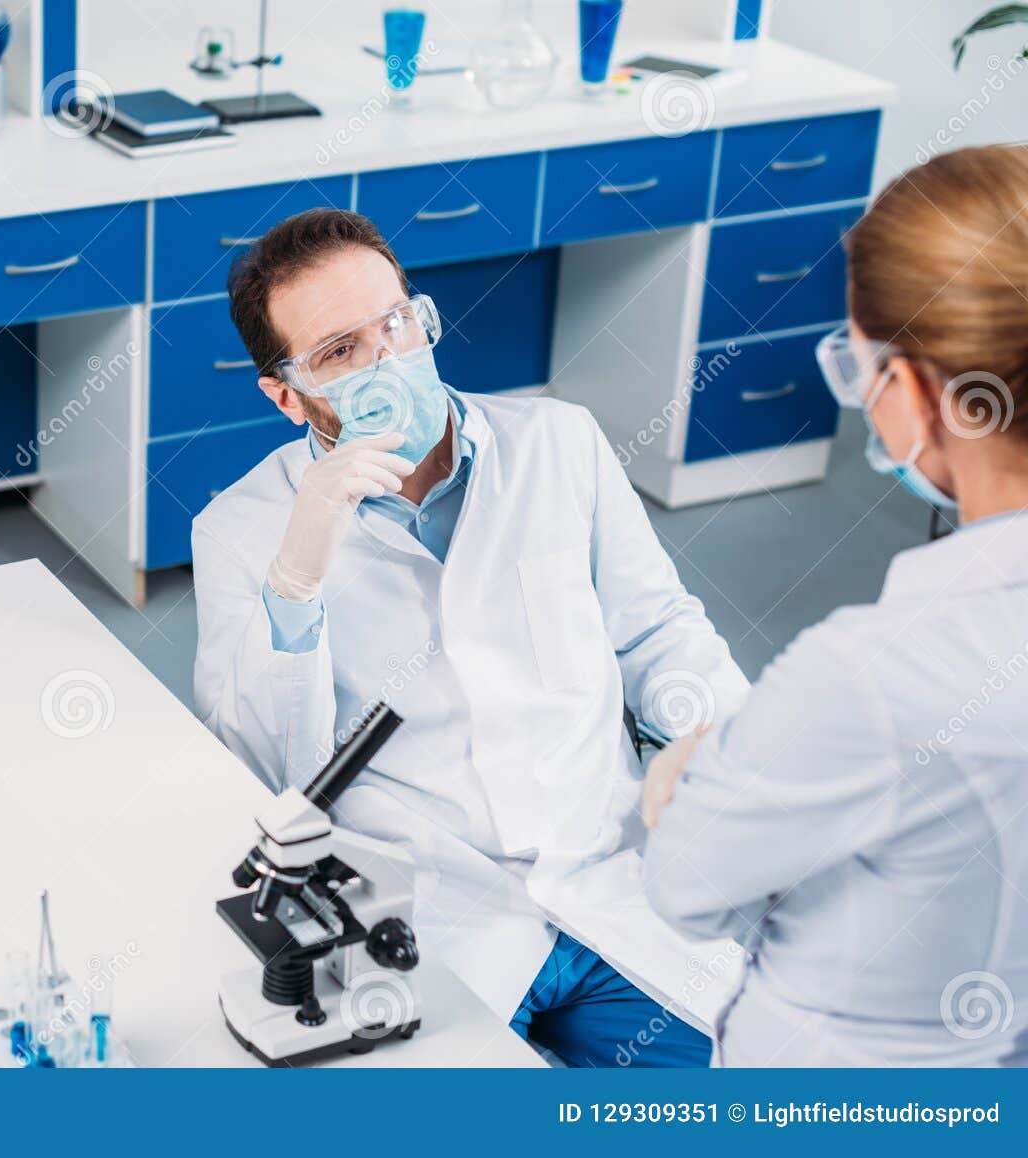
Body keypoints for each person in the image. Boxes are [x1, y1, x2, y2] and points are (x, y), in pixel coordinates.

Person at [192, 208, 749, 1066]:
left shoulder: (559, 443)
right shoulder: (239, 530)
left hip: (607, 881)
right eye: (340, 352)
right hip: (436, 917)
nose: (386, 362)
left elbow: (658, 633)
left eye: (395, 324)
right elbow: (268, 770)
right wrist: (294, 585)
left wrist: (729, 753)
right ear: (285, 393)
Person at [642, 145, 1028, 1067]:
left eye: (860, 367)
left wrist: (688, 781)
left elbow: (689, 890)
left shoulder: (874, 673)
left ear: (914, 394)